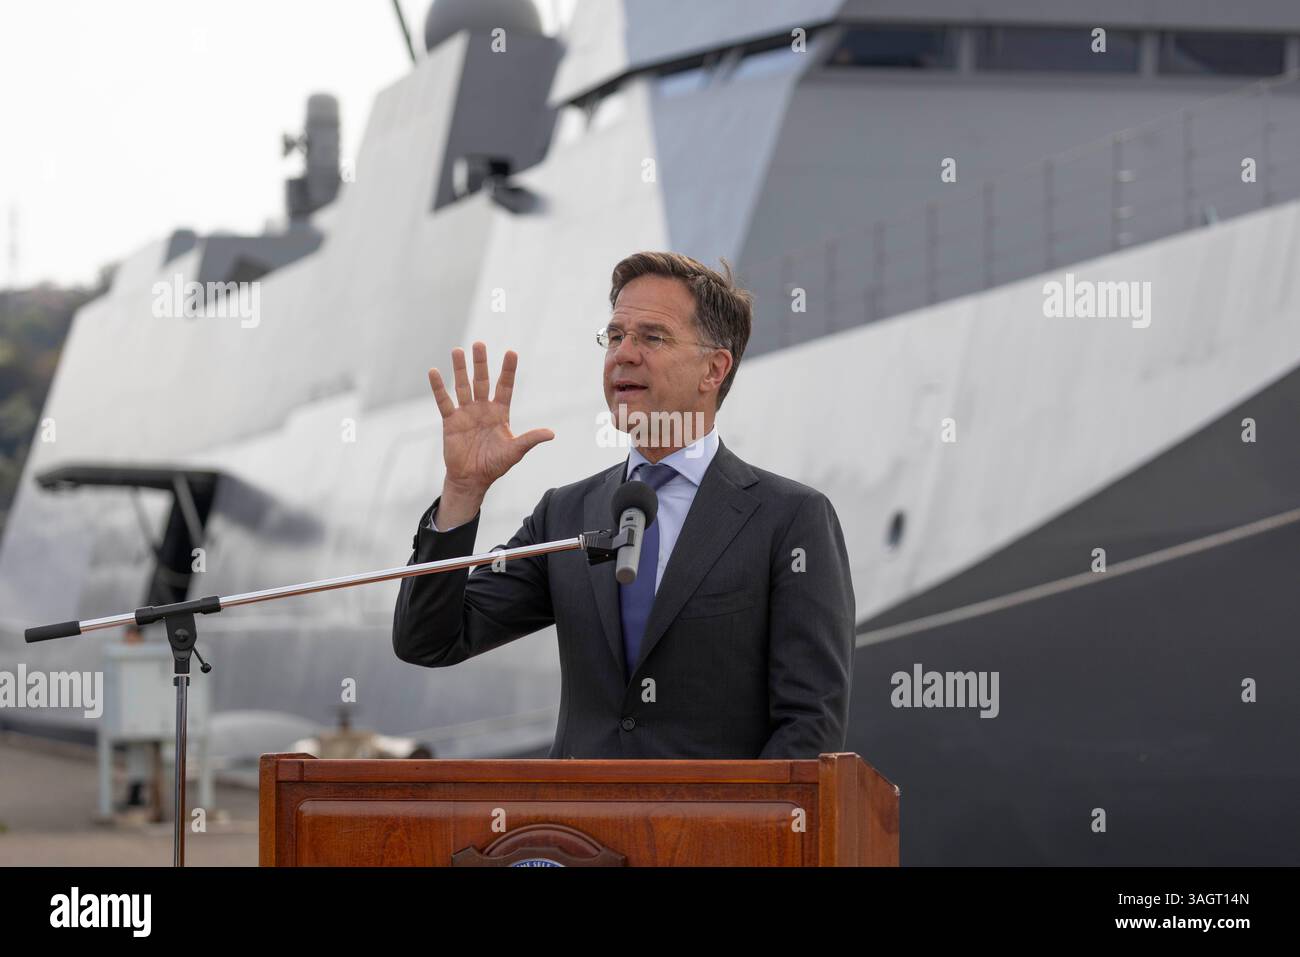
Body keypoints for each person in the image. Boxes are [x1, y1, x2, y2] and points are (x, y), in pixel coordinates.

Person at [392, 251, 855, 759]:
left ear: (713, 368)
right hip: (576, 832)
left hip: (718, 835)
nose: (623, 354)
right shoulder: (565, 513)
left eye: (652, 337)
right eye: (614, 336)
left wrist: (730, 831)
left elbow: (809, 726)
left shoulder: (789, 520)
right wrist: (462, 491)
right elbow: (429, 641)